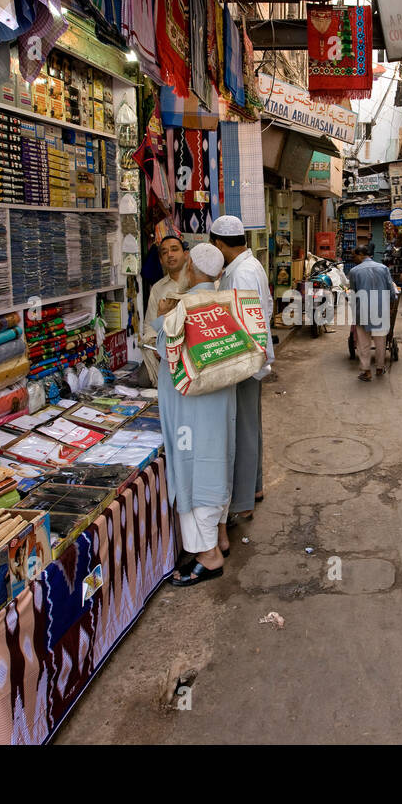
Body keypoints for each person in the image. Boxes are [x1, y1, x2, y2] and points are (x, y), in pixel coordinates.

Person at [155, 243, 237, 587]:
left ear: (190, 266)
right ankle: (219, 537)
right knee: (217, 461)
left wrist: (162, 317)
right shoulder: (225, 303)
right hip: (219, 407)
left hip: (191, 411)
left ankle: (208, 556)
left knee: (195, 468)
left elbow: (166, 350)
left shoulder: (182, 309)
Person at [210, 214, 273, 524]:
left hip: (244, 360)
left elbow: (246, 321)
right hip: (251, 357)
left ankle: (244, 500)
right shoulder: (249, 266)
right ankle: (255, 487)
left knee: (244, 428)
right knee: (251, 426)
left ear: (220, 244)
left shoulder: (241, 273)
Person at [140, 234, 191, 385]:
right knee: (143, 379)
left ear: (185, 254)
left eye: (174, 249)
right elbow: (149, 324)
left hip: (190, 348)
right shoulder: (158, 288)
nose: (170, 254)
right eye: (164, 252)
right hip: (164, 349)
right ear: (161, 260)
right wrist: (156, 346)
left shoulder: (196, 281)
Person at [347, 243, 397, 381]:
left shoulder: (354, 271)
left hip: (362, 309)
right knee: (381, 340)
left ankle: (366, 371)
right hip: (381, 309)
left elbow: (353, 293)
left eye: (354, 256)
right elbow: (392, 292)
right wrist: (390, 304)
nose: (353, 259)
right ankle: (380, 368)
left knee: (363, 343)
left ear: (361, 255)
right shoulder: (383, 268)